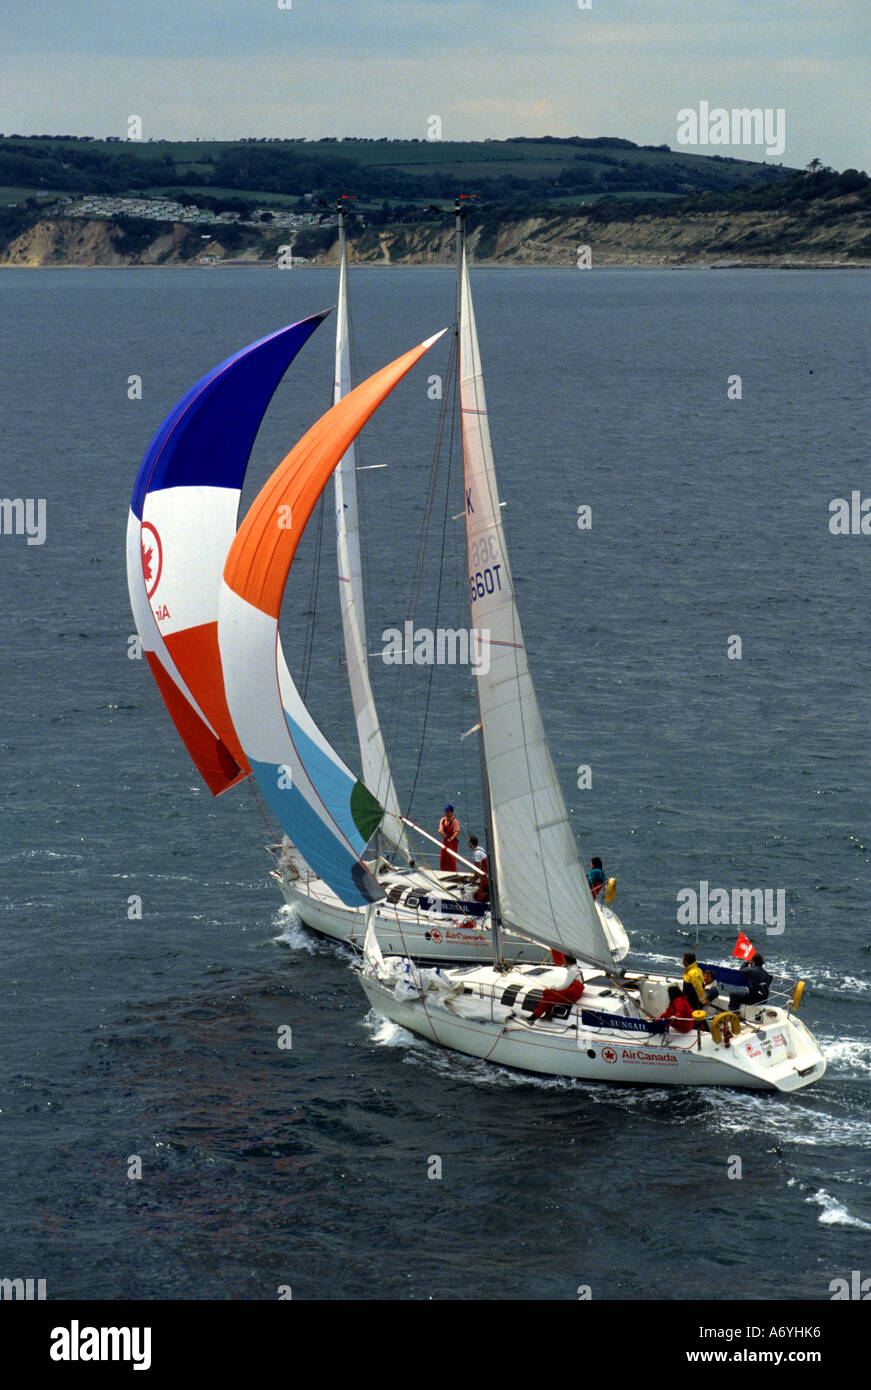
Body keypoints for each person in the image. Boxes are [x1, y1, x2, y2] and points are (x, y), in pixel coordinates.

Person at [530, 957, 585, 1022]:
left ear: (568, 962)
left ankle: (533, 1017)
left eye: (564, 961)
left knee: (547, 998)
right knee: (546, 992)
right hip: (573, 992)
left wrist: (554, 988)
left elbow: (565, 985)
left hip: (572, 994)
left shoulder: (572, 970)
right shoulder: (576, 969)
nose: (563, 962)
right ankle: (548, 1014)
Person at [467, 834, 489, 902]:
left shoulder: (477, 853)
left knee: (479, 897)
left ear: (470, 843)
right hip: (487, 875)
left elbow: (478, 871)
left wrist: (472, 880)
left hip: (485, 878)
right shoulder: (481, 849)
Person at [438, 805, 460, 873]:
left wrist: (452, 837)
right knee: (443, 860)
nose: (447, 813)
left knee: (451, 860)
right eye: (446, 811)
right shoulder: (442, 820)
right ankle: (443, 873)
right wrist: (443, 834)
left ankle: (453, 873)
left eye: (448, 812)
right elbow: (440, 829)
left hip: (452, 843)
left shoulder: (454, 821)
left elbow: (457, 831)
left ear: (452, 812)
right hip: (445, 843)